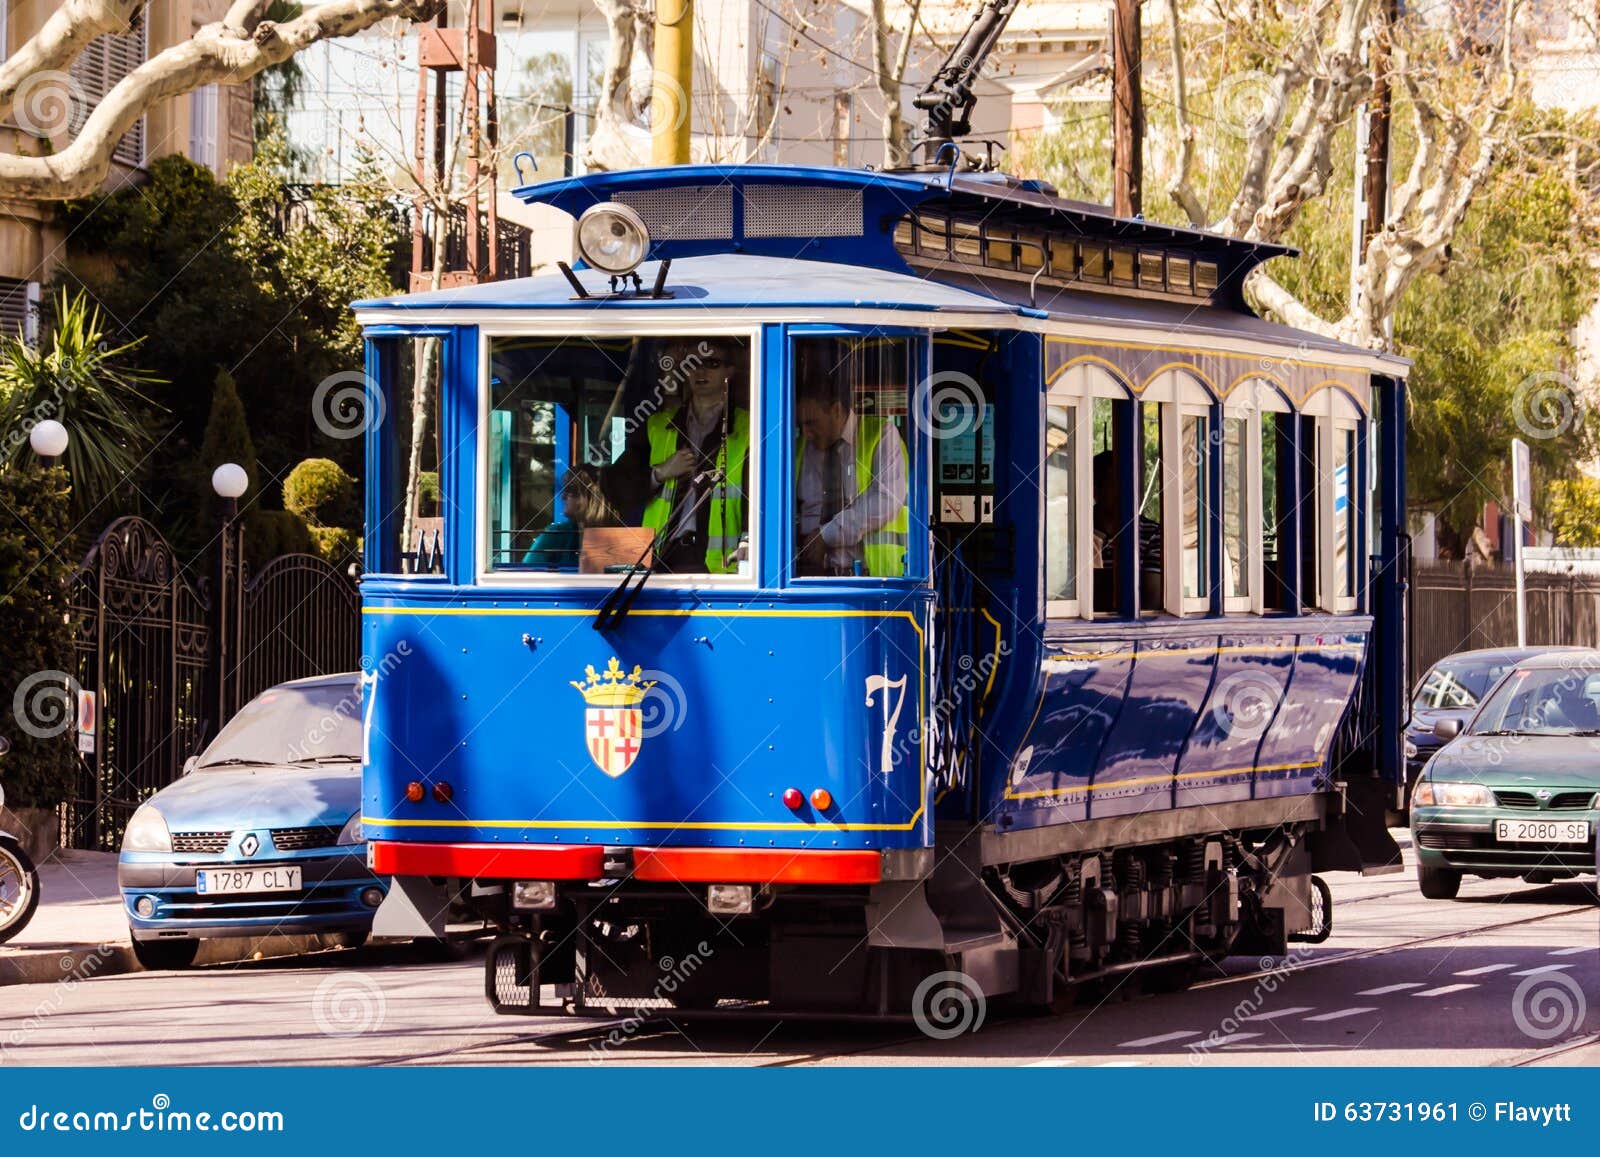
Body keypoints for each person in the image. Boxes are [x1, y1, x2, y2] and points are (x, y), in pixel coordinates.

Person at [614, 337, 751, 574]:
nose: (701, 371)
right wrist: (659, 473)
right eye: (693, 363)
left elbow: (763, 497)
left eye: (713, 363)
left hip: (721, 564)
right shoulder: (656, 426)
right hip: (661, 558)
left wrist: (750, 540)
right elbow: (617, 487)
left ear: (731, 370)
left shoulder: (750, 426)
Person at [794, 375, 909, 578]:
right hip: (808, 574)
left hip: (871, 577)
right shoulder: (800, 447)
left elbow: (885, 500)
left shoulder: (882, 435)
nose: (806, 433)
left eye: (811, 423)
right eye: (801, 425)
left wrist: (826, 535)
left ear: (836, 410)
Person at [521, 464, 620, 568]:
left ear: (592, 496)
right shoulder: (556, 534)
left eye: (570, 490)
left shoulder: (620, 534)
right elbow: (528, 572)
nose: (563, 496)